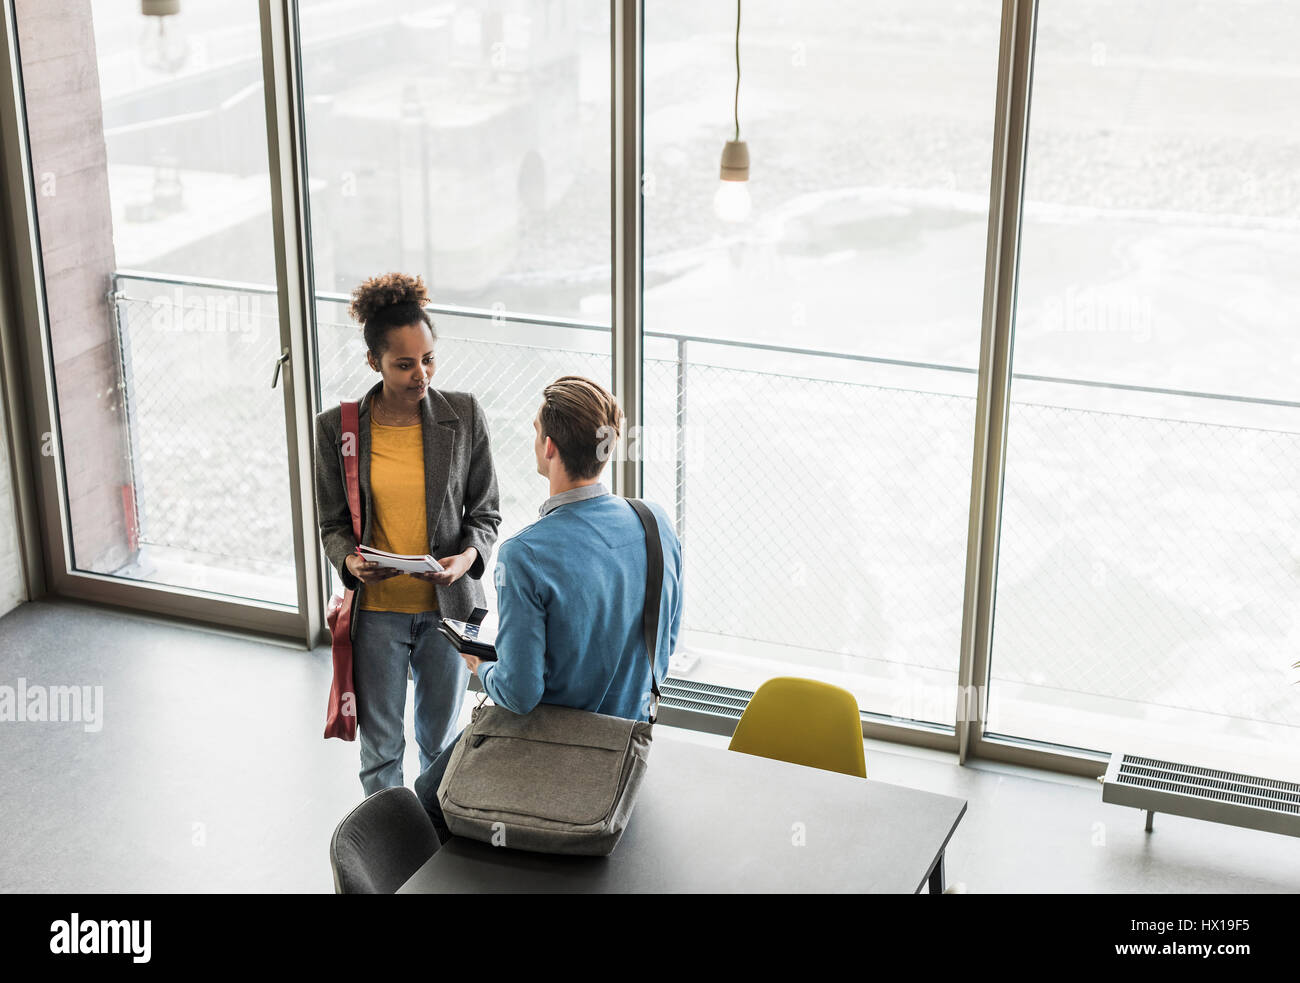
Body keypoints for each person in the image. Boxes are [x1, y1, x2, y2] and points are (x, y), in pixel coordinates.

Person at [414, 375, 684, 841]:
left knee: (426, 799)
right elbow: (668, 639)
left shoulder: (525, 554)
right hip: (627, 740)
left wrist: (480, 664)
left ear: (550, 447)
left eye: (536, 430)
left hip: (555, 745)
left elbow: (520, 694)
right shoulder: (654, 520)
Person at [313, 272, 500, 796]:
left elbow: (486, 514)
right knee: (381, 752)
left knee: (440, 746)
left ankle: (435, 853)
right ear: (374, 361)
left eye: (428, 359)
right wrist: (350, 562)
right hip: (377, 613)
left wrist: (467, 558)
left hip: (448, 609)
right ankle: (388, 853)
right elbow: (332, 524)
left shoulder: (462, 415)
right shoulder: (338, 429)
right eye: (404, 363)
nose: (422, 374)